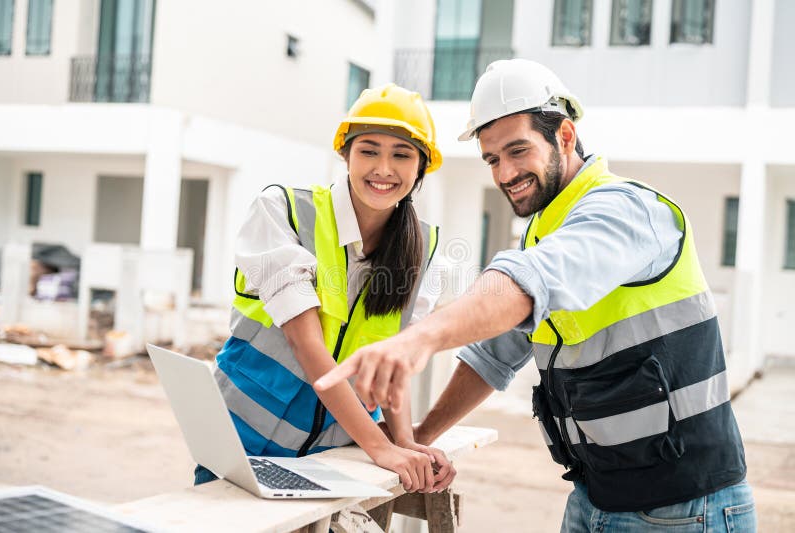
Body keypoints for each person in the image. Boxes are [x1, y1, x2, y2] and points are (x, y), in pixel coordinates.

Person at [316, 59, 755, 530]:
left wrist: (416, 340)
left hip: (686, 508)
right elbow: (492, 356)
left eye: (517, 150)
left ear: (565, 136)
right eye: (491, 159)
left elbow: (527, 281)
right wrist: (419, 438)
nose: (505, 173)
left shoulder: (624, 209)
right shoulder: (545, 232)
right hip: (595, 498)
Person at [195, 83, 455, 494]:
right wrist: (380, 448)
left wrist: (404, 441)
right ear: (345, 154)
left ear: (420, 168)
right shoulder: (284, 212)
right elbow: (305, 344)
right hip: (240, 445)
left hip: (332, 460)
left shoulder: (426, 252)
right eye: (369, 150)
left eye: (401, 155)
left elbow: (393, 367)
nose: (384, 168)